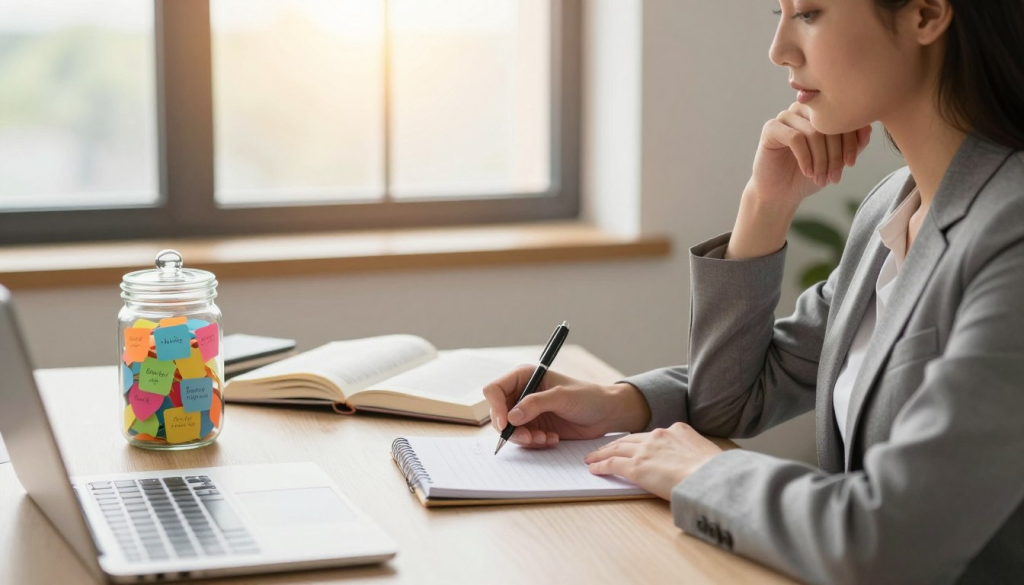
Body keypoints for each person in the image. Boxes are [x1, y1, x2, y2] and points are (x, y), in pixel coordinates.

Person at [482, 0, 1024, 582]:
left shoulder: (1009, 234)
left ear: (925, 14)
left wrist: (701, 474)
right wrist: (764, 206)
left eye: (810, 13)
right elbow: (731, 401)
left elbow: (888, 542)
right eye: (779, 12)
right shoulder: (896, 207)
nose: (779, 50)